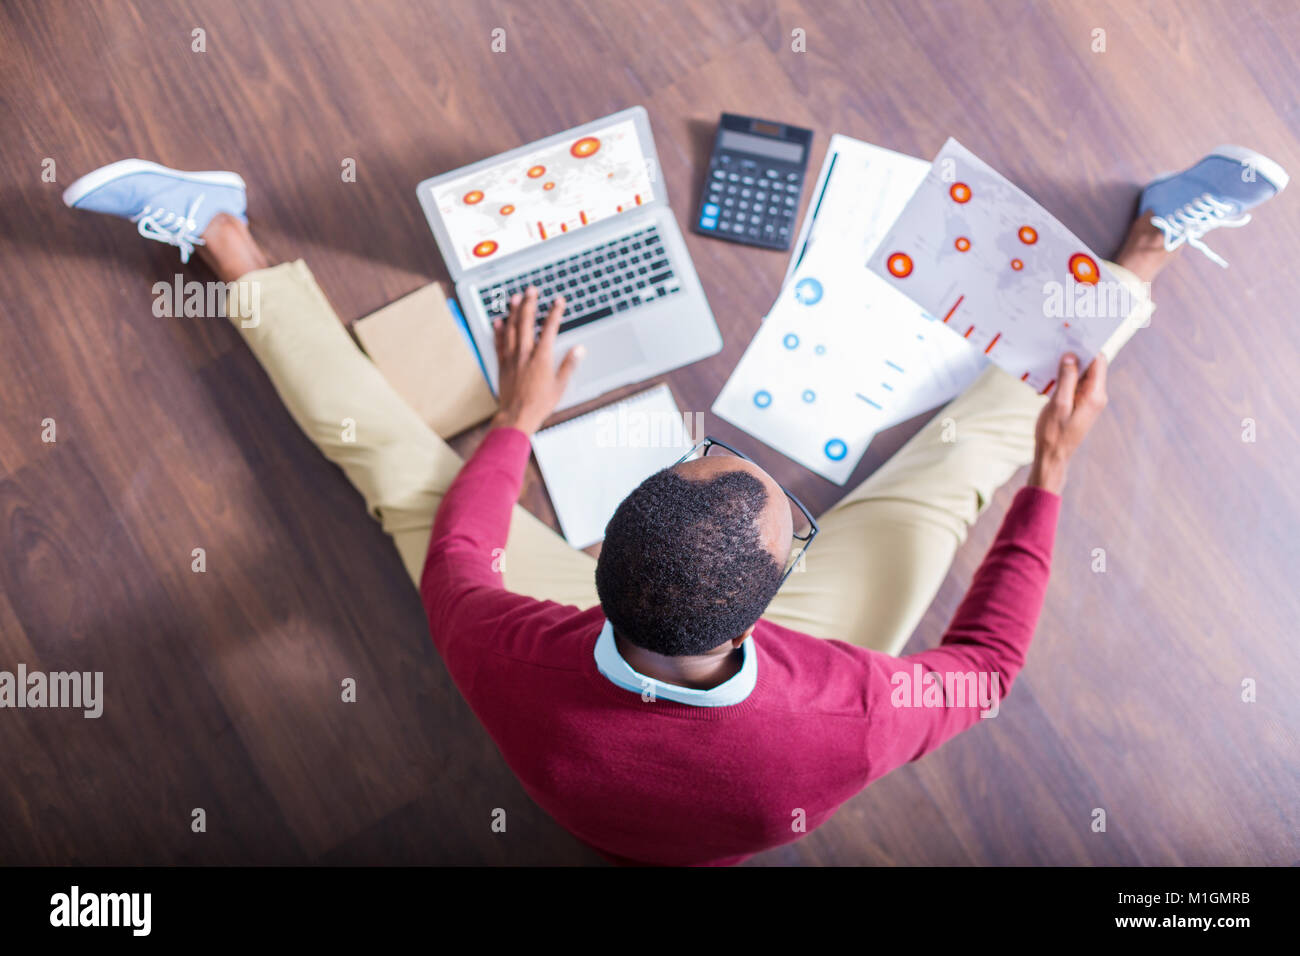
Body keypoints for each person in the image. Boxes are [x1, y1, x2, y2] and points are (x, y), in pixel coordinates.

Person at [63, 146, 1286, 865]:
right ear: (783, 594)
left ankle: (218, 232)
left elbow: (471, 538)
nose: (761, 471)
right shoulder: (851, 704)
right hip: (763, 728)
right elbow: (988, 665)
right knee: (970, 463)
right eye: (776, 502)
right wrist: (1053, 476)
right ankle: (1146, 254)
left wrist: (516, 425)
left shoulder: (488, 625)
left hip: (621, 695)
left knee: (387, 466)